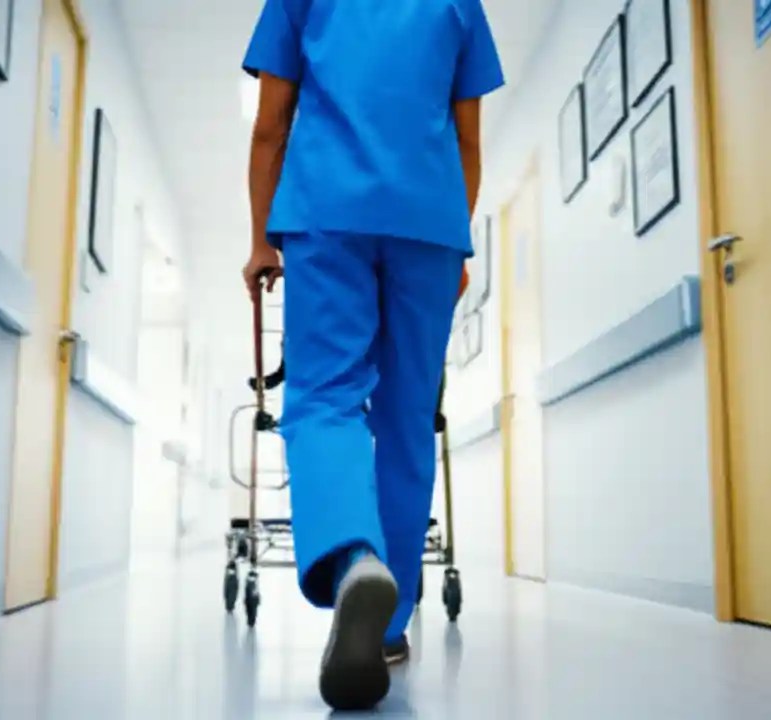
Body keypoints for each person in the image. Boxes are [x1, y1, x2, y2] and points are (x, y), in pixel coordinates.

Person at [240, 0, 503, 711]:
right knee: (408, 419)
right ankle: (386, 628)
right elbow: (468, 142)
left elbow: (271, 125)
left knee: (325, 398)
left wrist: (263, 241)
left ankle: (355, 559)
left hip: (328, 210)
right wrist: (452, 234)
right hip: (429, 225)